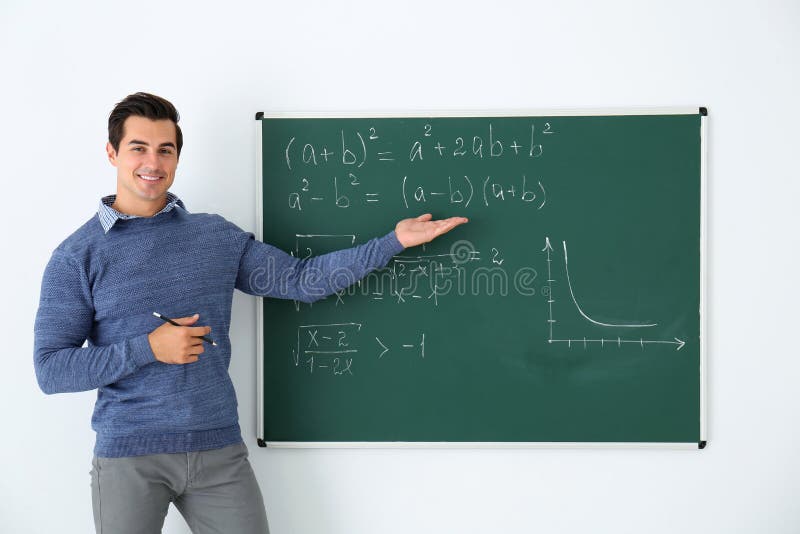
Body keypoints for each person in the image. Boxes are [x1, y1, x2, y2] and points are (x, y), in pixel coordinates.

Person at [33, 92, 468, 534]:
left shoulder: (213, 236)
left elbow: (302, 280)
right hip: (129, 455)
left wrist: (393, 242)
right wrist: (148, 348)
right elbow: (50, 370)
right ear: (112, 153)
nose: (153, 161)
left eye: (166, 149)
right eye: (138, 148)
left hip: (218, 451)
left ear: (178, 157)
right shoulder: (77, 256)